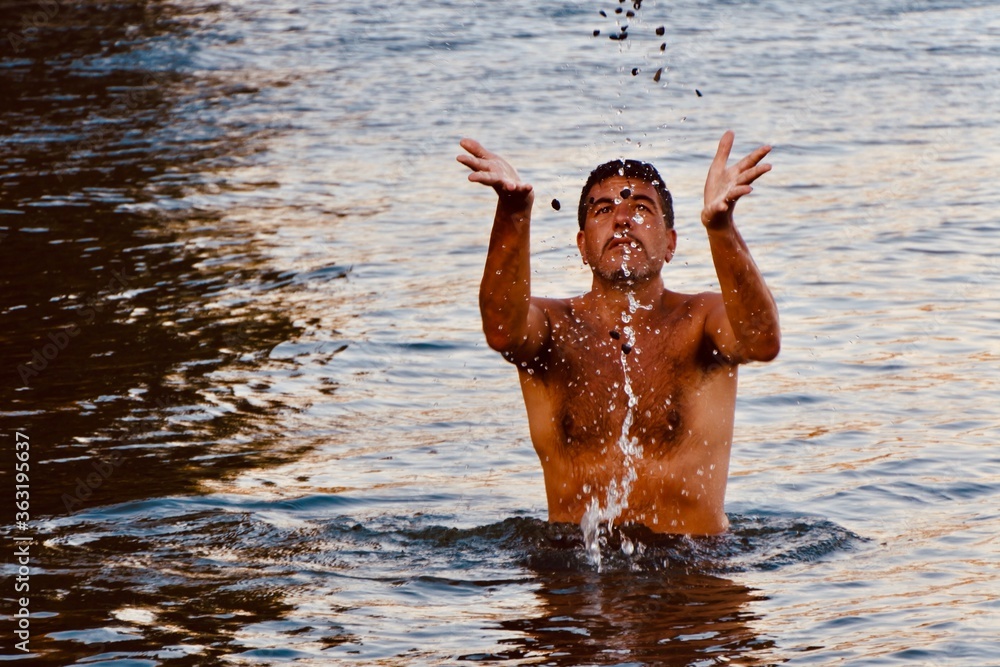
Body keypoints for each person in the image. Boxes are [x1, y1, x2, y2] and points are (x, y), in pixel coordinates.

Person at [457, 131, 780, 535]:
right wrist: (513, 212)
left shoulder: (702, 319)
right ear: (582, 245)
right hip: (573, 571)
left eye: (641, 208)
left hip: (696, 573)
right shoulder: (554, 324)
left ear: (670, 244)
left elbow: (761, 341)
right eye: (603, 209)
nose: (622, 220)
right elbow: (503, 331)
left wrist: (721, 228)